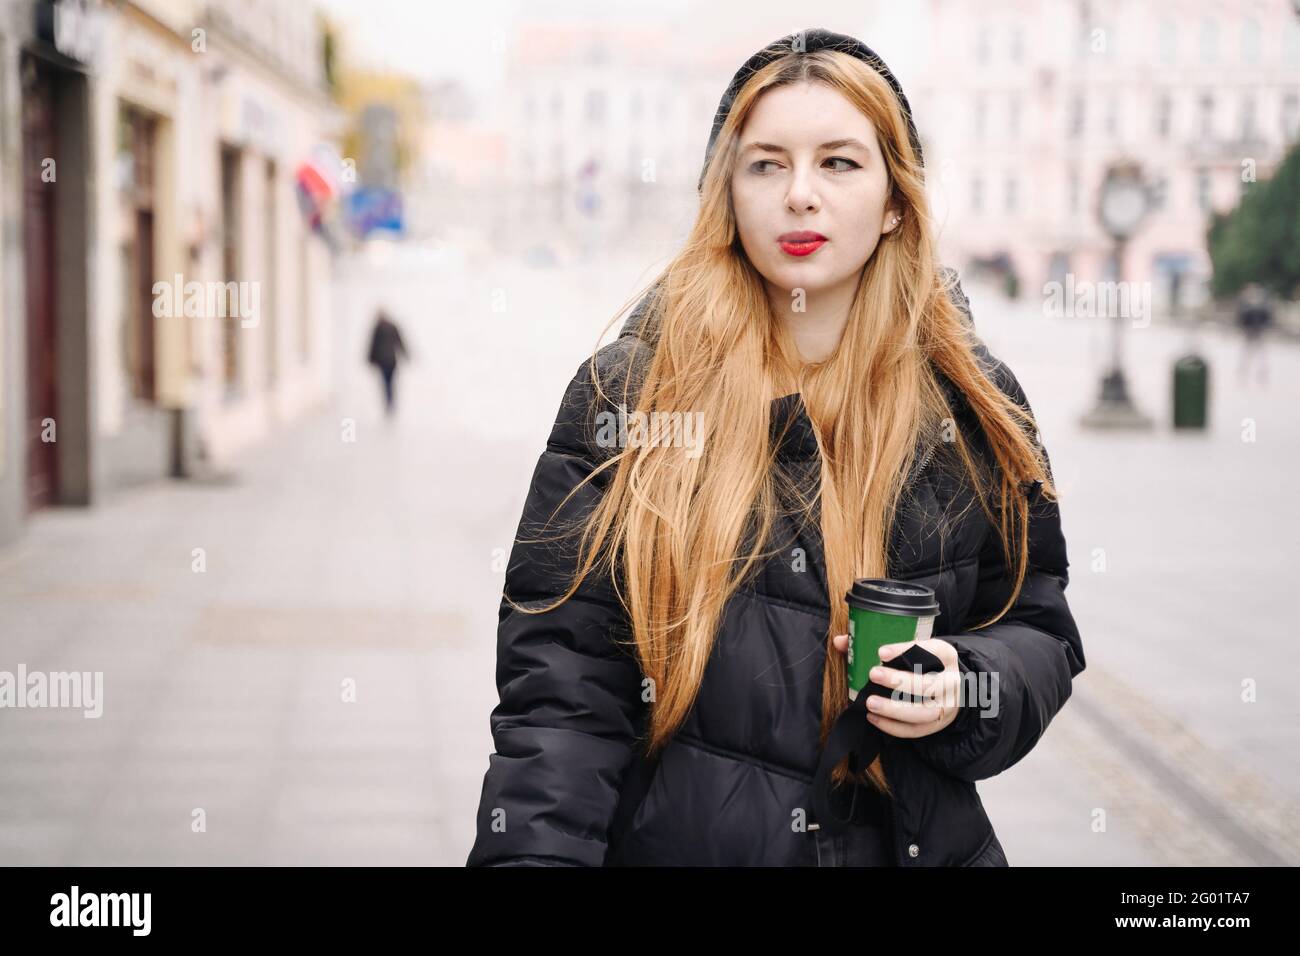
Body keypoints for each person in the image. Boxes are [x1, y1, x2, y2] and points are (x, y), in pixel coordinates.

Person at [467, 28, 1085, 867]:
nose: (801, 195)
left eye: (839, 163)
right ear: (728, 194)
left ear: (896, 199)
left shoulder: (971, 401)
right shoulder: (629, 396)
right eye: (766, 164)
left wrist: (966, 685)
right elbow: (559, 697)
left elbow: (1038, 628)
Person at [365, 309, 409, 416]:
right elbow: (400, 342)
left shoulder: (378, 328)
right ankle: (390, 403)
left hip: (383, 361)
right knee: (390, 383)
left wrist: (370, 359)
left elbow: (372, 346)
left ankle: (389, 403)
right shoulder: (390, 327)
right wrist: (405, 354)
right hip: (391, 360)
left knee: (386, 383)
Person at [1236, 282, 1273, 387]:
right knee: (1247, 354)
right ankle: (1243, 373)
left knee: (1260, 354)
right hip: (1249, 332)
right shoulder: (1246, 304)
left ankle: (1262, 374)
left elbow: (1267, 317)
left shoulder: (1262, 304)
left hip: (1259, 332)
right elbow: (1241, 318)